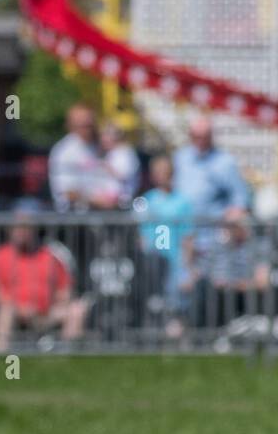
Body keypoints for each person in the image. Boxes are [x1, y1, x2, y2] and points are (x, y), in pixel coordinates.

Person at [0, 211, 87, 353]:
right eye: (19, 228)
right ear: (10, 230)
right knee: (6, 311)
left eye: (26, 228)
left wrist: (62, 300)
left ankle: (71, 358)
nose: (22, 232)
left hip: (46, 313)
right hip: (15, 312)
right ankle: (2, 358)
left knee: (77, 309)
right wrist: (20, 308)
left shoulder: (49, 257)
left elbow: (64, 288)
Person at [133, 155, 194, 323]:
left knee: (175, 307)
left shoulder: (182, 202)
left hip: (174, 261)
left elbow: (187, 238)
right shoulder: (144, 201)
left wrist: (186, 269)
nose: (161, 176)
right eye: (157, 172)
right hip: (150, 264)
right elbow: (140, 235)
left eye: (165, 172)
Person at [171, 117, 252, 218]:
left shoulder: (224, 161)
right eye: (196, 136)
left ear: (211, 137)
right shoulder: (180, 157)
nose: (200, 141)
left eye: (204, 137)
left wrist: (236, 212)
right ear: (190, 136)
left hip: (212, 225)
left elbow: (240, 195)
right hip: (183, 223)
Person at [48, 104, 120, 211]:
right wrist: (96, 200)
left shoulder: (102, 146)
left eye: (89, 124)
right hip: (75, 217)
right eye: (82, 125)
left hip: (104, 214)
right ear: (70, 125)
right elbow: (66, 192)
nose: (87, 128)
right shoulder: (63, 151)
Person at [100, 121, 141, 206]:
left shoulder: (126, 153)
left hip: (122, 200)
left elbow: (124, 174)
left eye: (105, 135)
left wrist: (106, 167)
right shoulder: (112, 153)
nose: (102, 139)